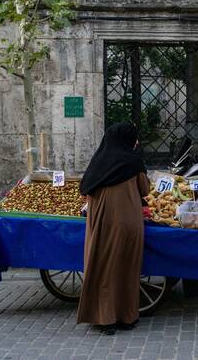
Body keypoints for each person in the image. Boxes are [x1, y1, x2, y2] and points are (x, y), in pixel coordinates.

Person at [76, 123, 150, 335]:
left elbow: (85, 187)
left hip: (102, 222)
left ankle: (105, 319)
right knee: (127, 268)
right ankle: (127, 317)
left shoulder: (99, 161)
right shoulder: (134, 161)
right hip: (129, 223)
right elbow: (144, 189)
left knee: (104, 267)